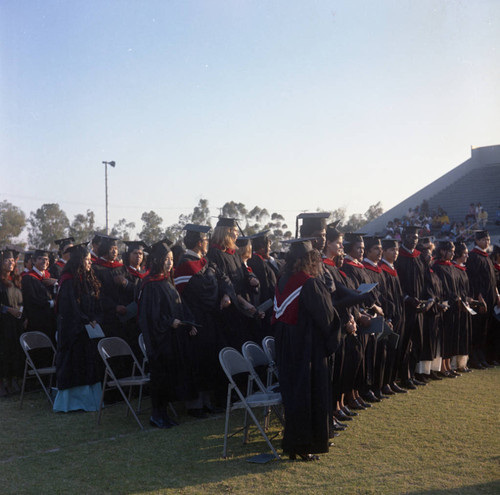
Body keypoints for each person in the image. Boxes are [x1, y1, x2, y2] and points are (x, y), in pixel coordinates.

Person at [273, 238, 341, 460]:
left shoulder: (282, 281)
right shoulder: (309, 284)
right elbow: (327, 317)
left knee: (293, 397)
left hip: (286, 349)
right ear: (308, 260)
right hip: (307, 350)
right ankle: (305, 446)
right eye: (315, 260)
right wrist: (341, 331)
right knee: (309, 396)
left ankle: (293, 446)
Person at [137, 240, 197, 428]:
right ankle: (157, 414)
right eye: (166, 259)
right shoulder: (150, 284)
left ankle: (164, 414)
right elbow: (150, 316)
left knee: (169, 377)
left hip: (173, 339)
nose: (170, 263)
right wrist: (169, 322)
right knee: (160, 378)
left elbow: (181, 306)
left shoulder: (166, 282)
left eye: (171, 259)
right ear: (157, 260)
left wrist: (189, 323)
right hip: (160, 341)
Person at [174, 224, 232, 417]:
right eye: (206, 240)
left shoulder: (206, 262)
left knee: (209, 361)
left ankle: (207, 402)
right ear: (199, 242)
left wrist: (226, 295)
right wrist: (216, 293)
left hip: (210, 320)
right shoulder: (185, 265)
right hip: (195, 322)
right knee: (196, 362)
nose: (207, 243)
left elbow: (224, 279)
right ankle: (194, 405)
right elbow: (200, 293)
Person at [53, 243, 103, 412]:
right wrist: (85, 321)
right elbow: (69, 308)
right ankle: (72, 403)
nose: (90, 263)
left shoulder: (88, 280)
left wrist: (94, 319)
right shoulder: (68, 280)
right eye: (87, 260)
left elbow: (95, 305)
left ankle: (89, 402)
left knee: (88, 365)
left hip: (87, 329)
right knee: (74, 365)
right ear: (79, 261)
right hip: (73, 332)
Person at [466, 230, 500, 368]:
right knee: (478, 329)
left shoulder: (487, 257)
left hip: (490, 297)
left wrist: (497, 294)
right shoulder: (473, 256)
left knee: (486, 329)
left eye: (488, 239)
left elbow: (493, 280)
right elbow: (473, 280)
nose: (487, 242)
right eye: (484, 239)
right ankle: (475, 358)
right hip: (480, 299)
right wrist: (479, 298)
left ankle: (483, 357)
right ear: (477, 240)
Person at [0, 249, 24, 396]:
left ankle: (12, 380)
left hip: (16, 323)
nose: (11, 262)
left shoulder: (16, 279)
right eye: (7, 260)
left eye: (12, 260)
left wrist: (23, 313)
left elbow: (22, 300)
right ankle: (2, 383)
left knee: (14, 352)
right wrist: (8, 310)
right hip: (2, 323)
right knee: (2, 353)